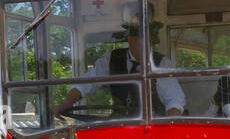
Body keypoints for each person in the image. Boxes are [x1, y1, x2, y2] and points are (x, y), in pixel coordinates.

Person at [54, 20, 185, 118]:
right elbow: (88, 82)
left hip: (152, 125)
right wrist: (68, 102)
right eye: (144, 44)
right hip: (119, 124)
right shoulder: (111, 59)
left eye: (151, 44)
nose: (149, 49)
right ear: (131, 41)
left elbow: (174, 99)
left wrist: (169, 123)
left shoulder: (162, 63)